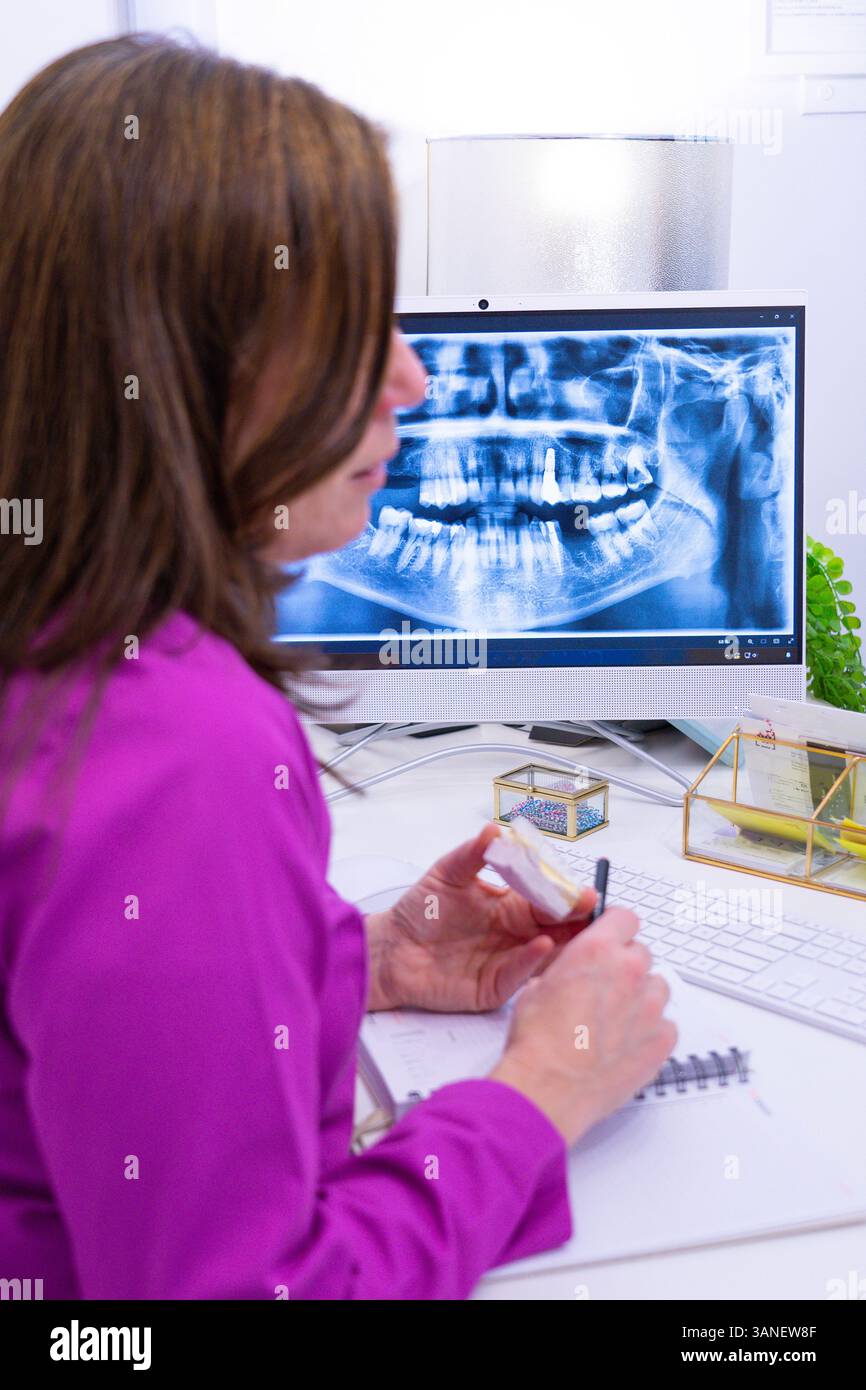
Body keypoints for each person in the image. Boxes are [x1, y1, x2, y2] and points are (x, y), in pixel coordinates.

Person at [0, 35, 675, 1300]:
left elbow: (71, 1018)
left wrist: (363, 957)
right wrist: (543, 1090)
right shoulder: (172, 749)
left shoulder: (54, 642)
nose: (412, 379)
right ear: (193, 369)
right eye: (354, 330)